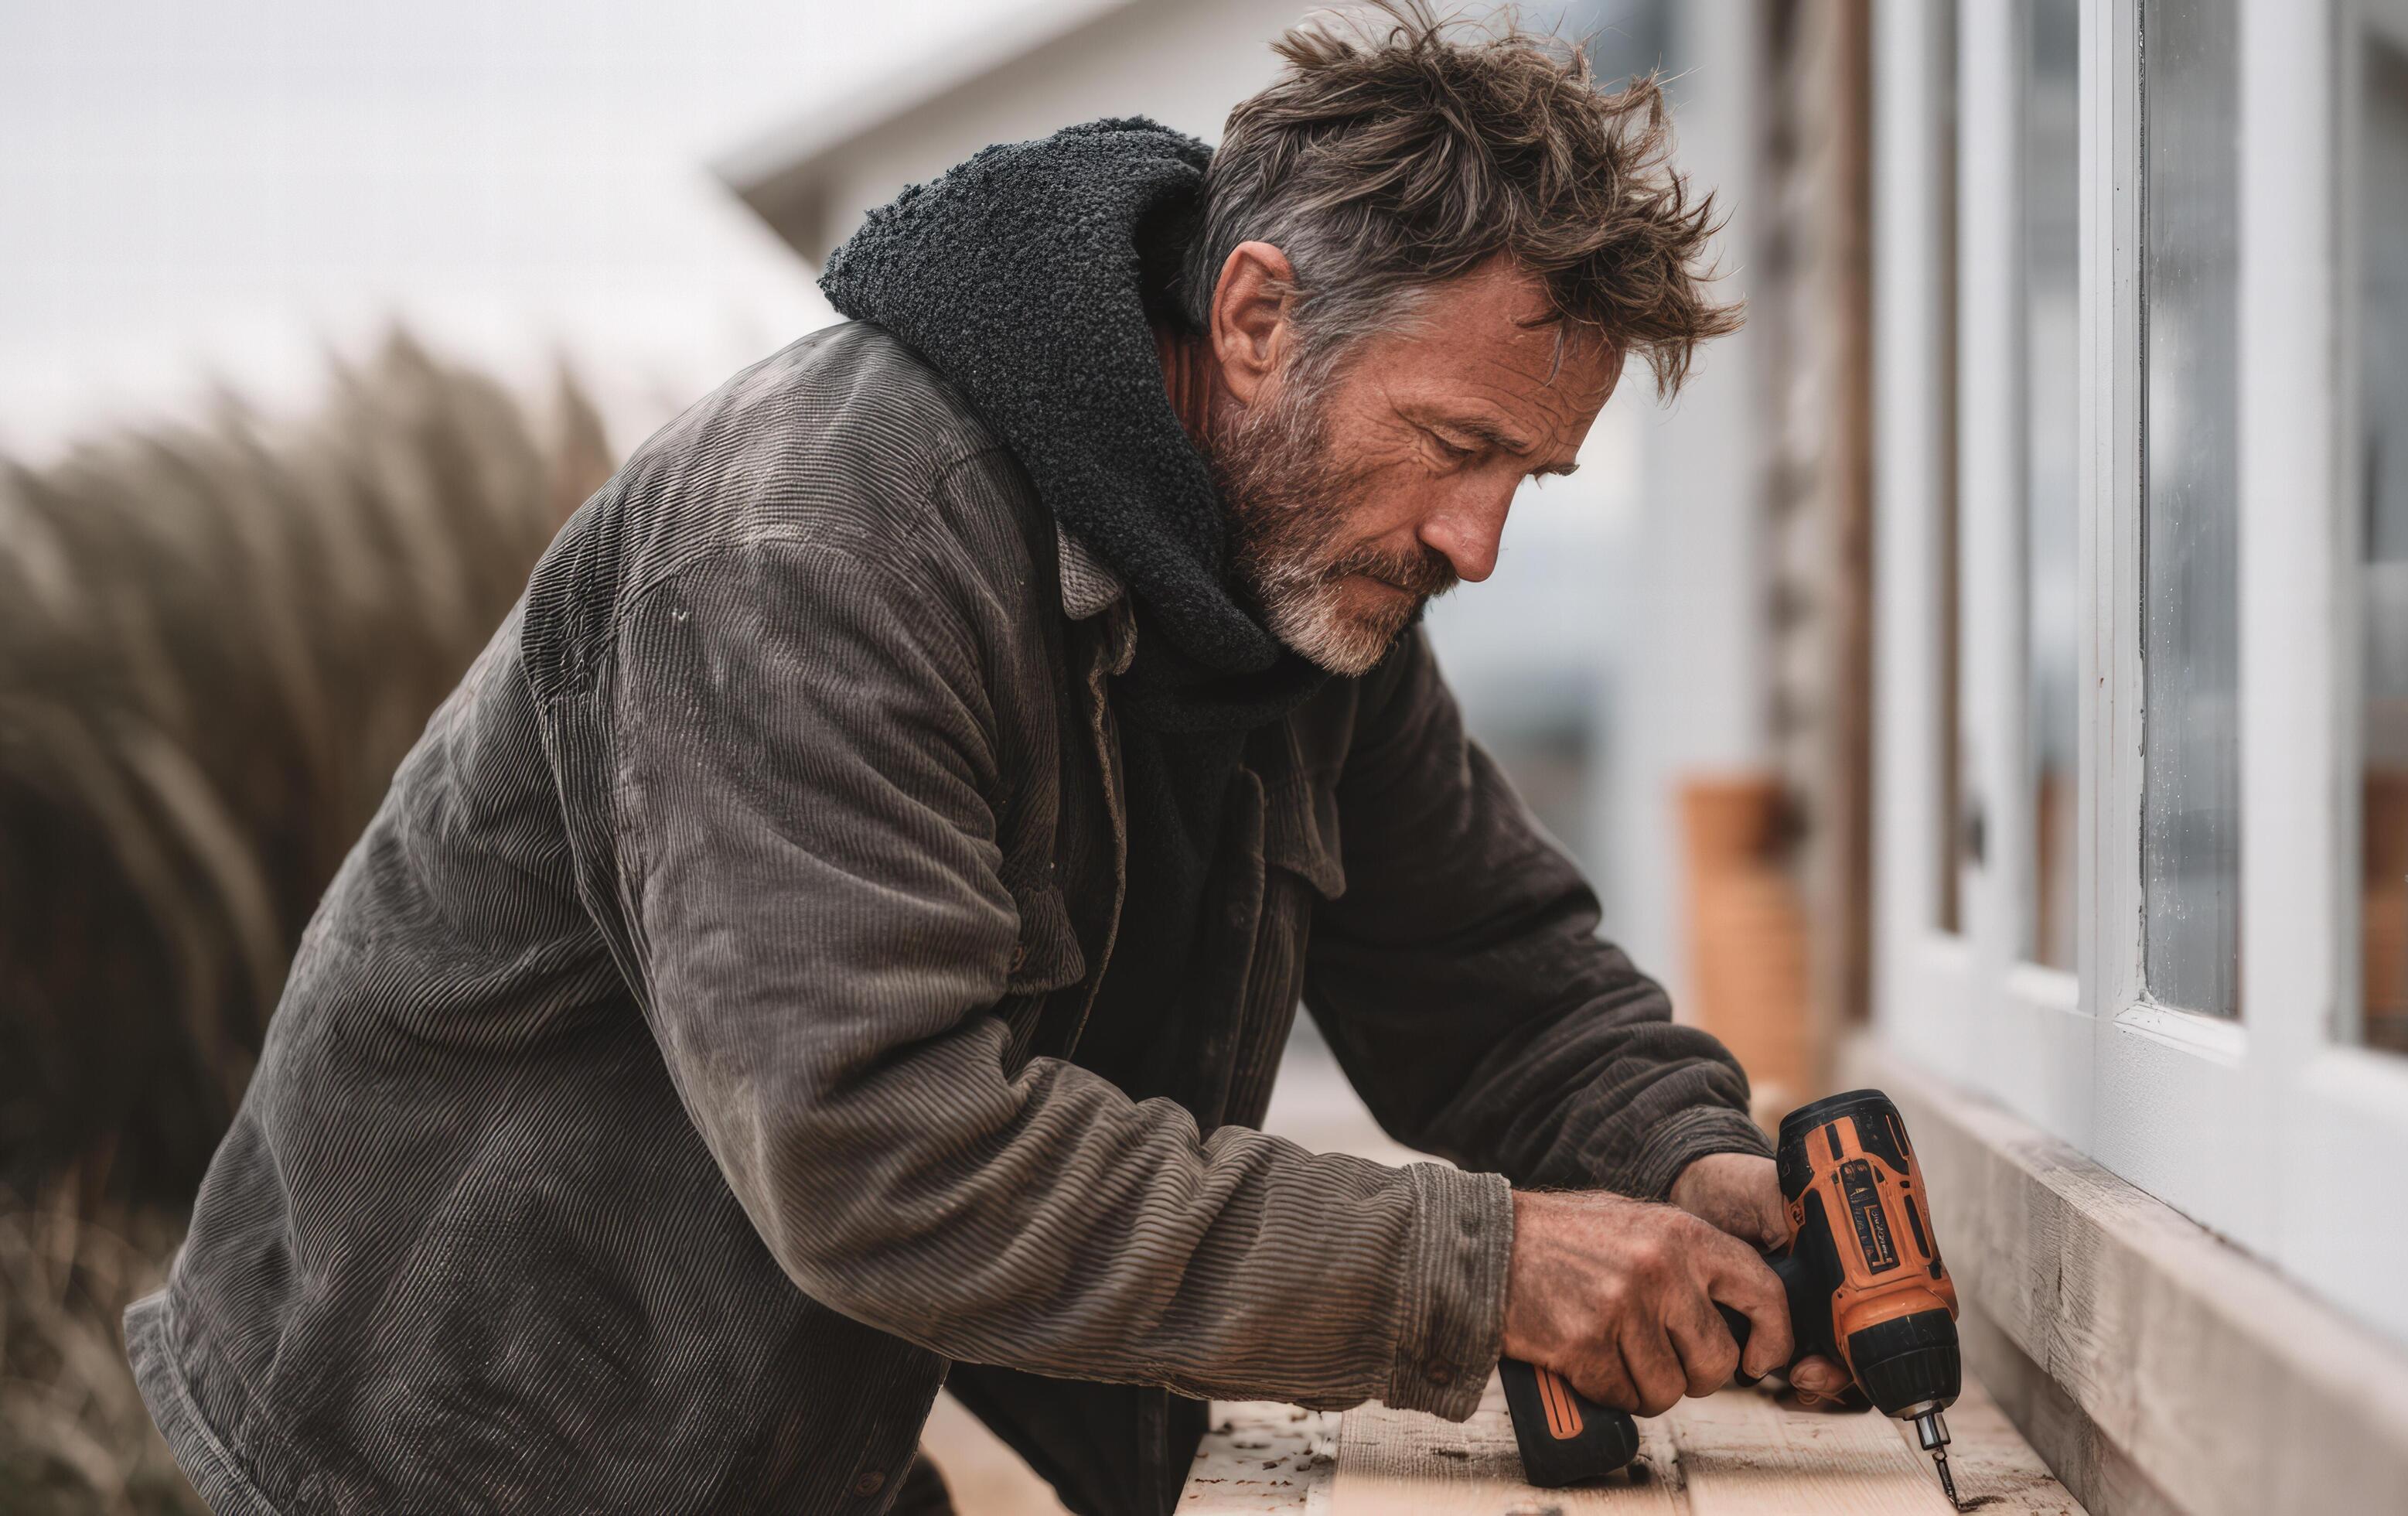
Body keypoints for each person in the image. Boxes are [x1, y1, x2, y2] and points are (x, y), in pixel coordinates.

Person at [128, 9, 1847, 1514]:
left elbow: (1489, 972)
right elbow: (890, 1155)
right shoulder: (809, 558)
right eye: (1458, 445)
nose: (1478, 542)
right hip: (453, 1444)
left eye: (1526, 480)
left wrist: (1687, 1164)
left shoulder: (1315, 573)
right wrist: (1485, 1270)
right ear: (1256, 316)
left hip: (801, 1432)